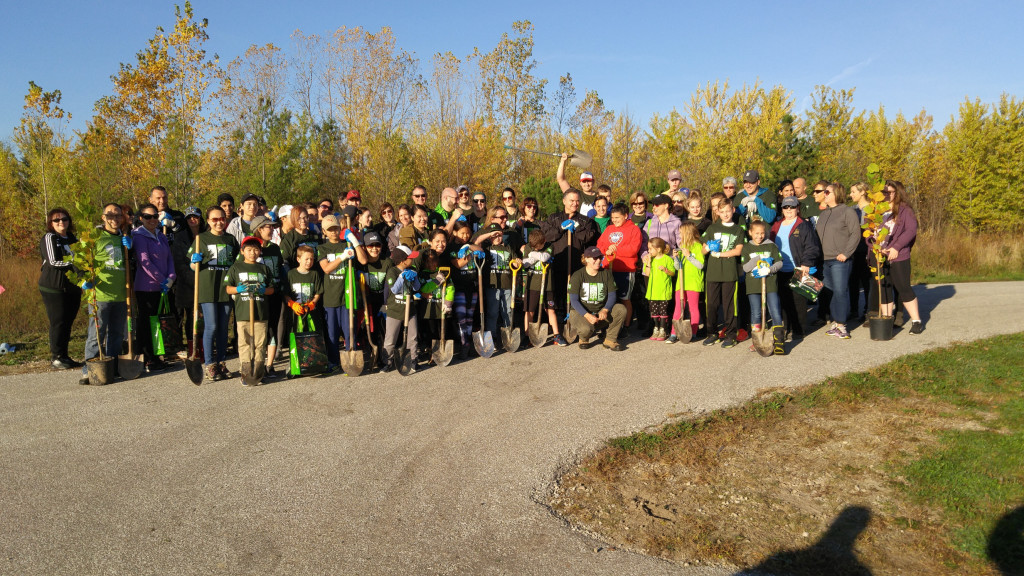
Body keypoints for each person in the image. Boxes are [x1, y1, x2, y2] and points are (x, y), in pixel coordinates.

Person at [77, 204, 131, 385]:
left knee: (116, 334)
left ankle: (111, 367)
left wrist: (130, 250)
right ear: (103, 217)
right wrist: (82, 280)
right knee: (96, 335)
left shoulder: (124, 238)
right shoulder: (95, 238)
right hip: (100, 294)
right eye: (110, 215)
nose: (114, 218)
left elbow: (132, 265)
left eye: (118, 215)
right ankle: (88, 370)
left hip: (121, 295)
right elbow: (79, 261)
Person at [541, 189, 598, 346]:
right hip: (557, 263)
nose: (575, 203)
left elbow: (589, 235)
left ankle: (576, 325)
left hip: (576, 266)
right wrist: (561, 228)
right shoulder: (554, 218)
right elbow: (547, 234)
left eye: (577, 201)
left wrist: (576, 228)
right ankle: (557, 330)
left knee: (575, 296)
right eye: (572, 200)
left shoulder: (585, 220)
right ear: (564, 201)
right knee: (557, 296)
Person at [188, 206, 239, 381]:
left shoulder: (231, 239)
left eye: (221, 219)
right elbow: (192, 266)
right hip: (208, 288)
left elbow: (237, 263)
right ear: (208, 221)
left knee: (224, 328)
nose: (219, 222)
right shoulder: (200, 238)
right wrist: (194, 262)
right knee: (212, 326)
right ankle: (210, 364)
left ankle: (221, 362)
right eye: (214, 219)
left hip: (225, 288)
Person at [875, 180, 924, 334]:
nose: (887, 195)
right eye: (884, 192)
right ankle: (887, 321)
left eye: (890, 192)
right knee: (884, 289)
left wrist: (896, 247)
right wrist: (874, 248)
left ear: (896, 193)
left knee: (903, 287)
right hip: (880, 256)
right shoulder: (877, 211)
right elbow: (869, 233)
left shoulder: (904, 210)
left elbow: (910, 230)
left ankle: (916, 321)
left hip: (899, 256)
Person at [132, 203, 176, 372]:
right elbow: (145, 262)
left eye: (155, 216)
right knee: (147, 323)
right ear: (141, 218)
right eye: (148, 217)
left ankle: (159, 355)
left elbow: (169, 259)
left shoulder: (161, 235)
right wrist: (161, 279)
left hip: (163, 287)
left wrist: (171, 278)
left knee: (159, 323)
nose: (152, 220)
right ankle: (148, 357)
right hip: (146, 287)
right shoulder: (139, 236)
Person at [224, 236, 274, 385]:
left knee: (259, 344)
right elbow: (228, 288)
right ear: (242, 251)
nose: (253, 253)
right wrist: (238, 289)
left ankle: (258, 372)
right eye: (249, 250)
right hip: (243, 312)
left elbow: (272, 289)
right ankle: (245, 372)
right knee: (244, 343)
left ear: (260, 251)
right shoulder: (236, 267)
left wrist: (264, 290)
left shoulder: (264, 269)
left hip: (260, 312)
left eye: (256, 249)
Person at [770, 196, 821, 341]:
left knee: (798, 301)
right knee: (784, 301)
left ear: (797, 208)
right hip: (780, 268)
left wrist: (806, 263)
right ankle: (787, 327)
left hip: (797, 267)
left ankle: (799, 330)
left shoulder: (803, 225)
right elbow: (771, 245)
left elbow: (812, 247)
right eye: (786, 207)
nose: (789, 210)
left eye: (792, 207)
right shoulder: (777, 225)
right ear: (782, 209)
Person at [815, 182, 861, 340]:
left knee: (841, 291)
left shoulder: (847, 212)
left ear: (837, 194)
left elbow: (856, 234)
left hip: (839, 259)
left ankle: (842, 325)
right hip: (824, 260)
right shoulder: (824, 214)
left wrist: (846, 253)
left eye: (827, 192)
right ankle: (835, 322)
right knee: (831, 292)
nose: (824, 194)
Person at [38, 207, 82, 370]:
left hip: (72, 287)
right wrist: (74, 264)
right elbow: (53, 261)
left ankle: (64, 355)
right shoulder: (49, 238)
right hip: (54, 287)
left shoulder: (72, 238)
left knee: (68, 322)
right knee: (58, 322)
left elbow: (81, 256)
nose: (61, 222)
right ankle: (56, 357)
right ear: (51, 223)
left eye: (64, 219)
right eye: (56, 220)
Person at [317, 215, 360, 371]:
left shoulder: (346, 245)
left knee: (349, 331)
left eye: (335, 228)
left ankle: (352, 358)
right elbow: (327, 269)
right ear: (324, 232)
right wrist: (343, 257)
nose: (333, 232)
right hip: (330, 297)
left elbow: (362, 260)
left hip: (347, 296)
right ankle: (334, 362)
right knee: (332, 335)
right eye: (330, 230)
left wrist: (354, 242)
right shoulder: (322, 248)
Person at [702, 201, 745, 348]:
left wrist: (720, 254)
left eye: (728, 210)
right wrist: (707, 248)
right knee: (712, 305)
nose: (725, 214)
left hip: (729, 274)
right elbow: (702, 250)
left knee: (729, 306)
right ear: (717, 212)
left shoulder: (738, 229)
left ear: (733, 210)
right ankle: (712, 333)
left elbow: (738, 250)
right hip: (712, 273)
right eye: (722, 211)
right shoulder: (712, 228)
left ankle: (731, 335)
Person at [567, 246, 627, 351]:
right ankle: (583, 338)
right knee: (586, 329)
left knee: (621, 309)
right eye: (595, 258)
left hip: (600, 312)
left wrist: (605, 309)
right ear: (586, 259)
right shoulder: (577, 275)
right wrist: (587, 315)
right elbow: (574, 300)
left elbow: (612, 295)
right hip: (581, 312)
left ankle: (610, 339)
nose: (598, 260)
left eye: (600, 257)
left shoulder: (606, 274)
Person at [596, 203, 643, 335]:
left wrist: (616, 250)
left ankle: (626, 326)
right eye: (613, 217)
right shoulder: (609, 229)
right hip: (608, 269)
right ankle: (607, 325)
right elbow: (600, 245)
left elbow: (633, 250)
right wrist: (607, 250)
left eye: (617, 217)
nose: (614, 220)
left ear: (626, 216)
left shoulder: (634, 229)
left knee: (624, 299)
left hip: (625, 270)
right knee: (608, 298)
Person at [249, 215, 285, 378]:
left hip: (274, 294)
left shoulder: (275, 248)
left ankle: (270, 366)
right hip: (257, 296)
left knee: (272, 328)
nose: (271, 230)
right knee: (259, 330)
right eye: (268, 227)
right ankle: (257, 364)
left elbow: (280, 268)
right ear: (259, 229)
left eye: (272, 227)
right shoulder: (250, 249)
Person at [741, 221, 785, 353]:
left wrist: (770, 270)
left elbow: (780, 263)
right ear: (750, 233)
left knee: (775, 311)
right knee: (756, 312)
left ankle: (779, 342)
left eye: (762, 233)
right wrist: (757, 259)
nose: (759, 236)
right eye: (756, 233)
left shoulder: (771, 246)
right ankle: (757, 341)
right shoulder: (747, 248)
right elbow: (745, 267)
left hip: (770, 284)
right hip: (753, 285)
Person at [285, 245, 325, 370]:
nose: (309, 262)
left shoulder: (314, 274)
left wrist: (313, 302)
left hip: (311, 312)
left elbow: (318, 291)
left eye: (312, 259)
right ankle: (296, 364)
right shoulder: (291, 274)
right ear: (298, 259)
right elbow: (285, 293)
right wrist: (291, 303)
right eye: (306, 259)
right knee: (296, 335)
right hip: (296, 313)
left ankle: (313, 362)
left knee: (312, 337)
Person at [171, 207, 204, 359]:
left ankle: (202, 348)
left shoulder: (206, 234)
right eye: (189, 217)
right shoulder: (181, 237)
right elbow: (179, 261)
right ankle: (192, 348)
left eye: (195, 217)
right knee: (190, 318)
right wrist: (192, 278)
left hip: (204, 282)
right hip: (186, 284)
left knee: (202, 318)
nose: (192, 220)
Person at [447, 222, 484, 359]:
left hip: (472, 286)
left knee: (469, 317)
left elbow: (481, 251)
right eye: (462, 233)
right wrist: (469, 254)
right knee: (461, 318)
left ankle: (469, 342)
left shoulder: (470, 245)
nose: (465, 235)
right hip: (459, 287)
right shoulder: (451, 247)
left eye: (468, 233)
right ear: (455, 233)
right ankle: (464, 344)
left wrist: (469, 246)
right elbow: (458, 263)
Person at [521, 229, 562, 346]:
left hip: (547, 285)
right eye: (534, 248)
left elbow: (544, 257)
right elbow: (526, 263)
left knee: (550, 309)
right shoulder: (530, 246)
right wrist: (532, 256)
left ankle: (556, 335)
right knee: (529, 311)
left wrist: (533, 255)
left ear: (544, 241)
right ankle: (527, 335)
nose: (536, 249)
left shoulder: (550, 246)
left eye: (539, 247)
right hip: (532, 284)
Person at [383, 246, 420, 372]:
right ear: (403, 260)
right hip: (395, 310)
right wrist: (402, 277)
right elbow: (394, 289)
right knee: (390, 338)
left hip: (410, 310)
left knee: (413, 337)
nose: (413, 261)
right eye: (410, 258)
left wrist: (414, 278)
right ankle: (387, 362)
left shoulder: (412, 270)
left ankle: (413, 360)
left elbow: (416, 288)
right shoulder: (392, 271)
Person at [668, 221, 705, 344]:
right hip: (681, 282)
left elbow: (700, 265)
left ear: (688, 233)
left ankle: (693, 332)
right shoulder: (682, 246)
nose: (680, 236)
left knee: (693, 307)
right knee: (678, 307)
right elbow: (678, 267)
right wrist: (676, 258)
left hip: (693, 282)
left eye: (681, 233)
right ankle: (674, 332)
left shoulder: (698, 247)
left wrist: (689, 256)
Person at [847, 182, 872, 323]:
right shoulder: (852, 210)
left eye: (853, 192)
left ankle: (869, 310)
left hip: (866, 249)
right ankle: (853, 310)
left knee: (867, 281)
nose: (851, 195)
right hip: (853, 250)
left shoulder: (871, 209)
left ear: (862, 192)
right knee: (853, 281)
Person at [644, 237, 676, 341]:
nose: (649, 251)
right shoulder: (651, 260)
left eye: (650, 249)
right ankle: (656, 328)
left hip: (663, 291)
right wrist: (648, 263)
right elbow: (647, 274)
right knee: (654, 311)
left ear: (658, 249)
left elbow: (673, 273)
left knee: (663, 311)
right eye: (648, 249)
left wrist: (665, 270)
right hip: (653, 291)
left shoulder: (667, 259)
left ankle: (663, 329)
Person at [280, 203, 323, 270]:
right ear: (293, 219)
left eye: (305, 217)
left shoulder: (315, 236)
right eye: (299, 218)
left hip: (315, 275)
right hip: (297, 276)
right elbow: (285, 262)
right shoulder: (289, 238)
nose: (303, 221)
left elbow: (321, 257)